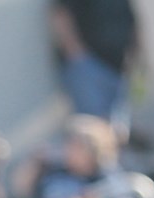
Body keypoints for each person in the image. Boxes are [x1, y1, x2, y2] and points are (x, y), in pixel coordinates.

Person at [49, 0, 141, 134]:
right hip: (88, 66)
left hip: (119, 67)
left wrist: (137, 55)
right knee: (94, 129)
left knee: (118, 129)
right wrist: (77, 54)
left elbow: (131, 19)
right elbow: (60, 13)